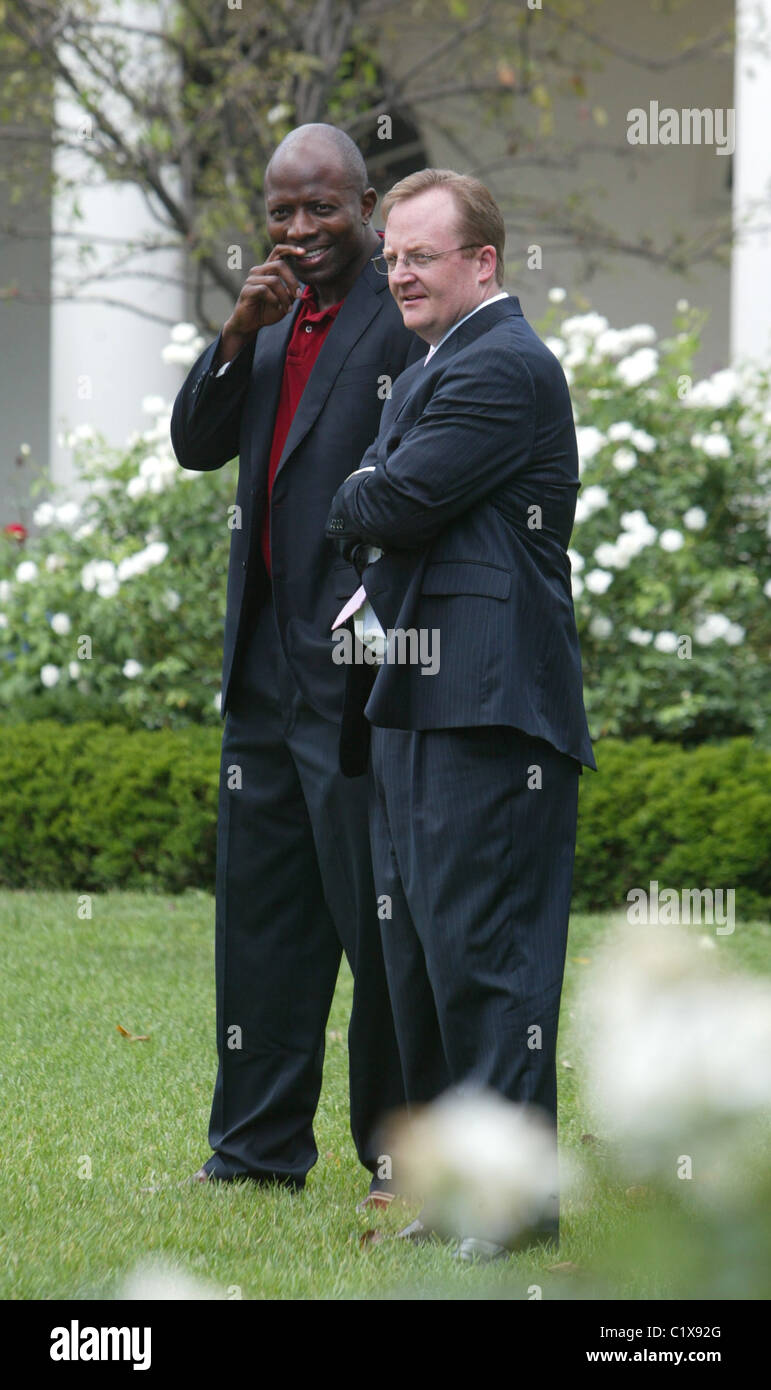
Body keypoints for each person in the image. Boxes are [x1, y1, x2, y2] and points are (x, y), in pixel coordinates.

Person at [325, 168, 597, 1255]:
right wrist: (381, 489)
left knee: (486, 958)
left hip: (490, 710)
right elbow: (395, 501)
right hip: (416, 698)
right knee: (422, 963)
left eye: (420, 253)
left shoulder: (506, 365)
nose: (397, 270)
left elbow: (387, 499)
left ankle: (515, 1206)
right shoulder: (440, 365)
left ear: (482, 262)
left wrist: (369, 486)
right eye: (391, 255)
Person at [170, 124, 423, 1202]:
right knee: (264, 922)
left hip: (361, 672)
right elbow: (196, 443)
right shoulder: (269, 313)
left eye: (322, 208)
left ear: (364, 207)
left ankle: (406, 1154)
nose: (301, 229)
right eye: (282, 211)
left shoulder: (402, 316)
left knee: (378, 921)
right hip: (265, 667)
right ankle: (256, 1151)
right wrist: (235, 333)